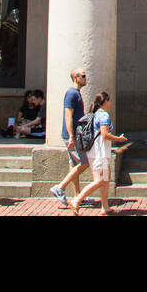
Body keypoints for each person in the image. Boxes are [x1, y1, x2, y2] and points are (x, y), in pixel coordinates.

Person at [70, 91, 128, 215]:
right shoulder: (103, 116)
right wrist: (119, 139)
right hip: (100, 152)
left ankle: (105, 206)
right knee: (100, 180)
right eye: (109, 100)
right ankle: (77, 200)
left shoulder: (95, 114)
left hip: (96, 151)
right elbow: (105, 134)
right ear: (105, 101)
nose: (111, 102)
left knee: (105, 179)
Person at [51, 68, 89, 208]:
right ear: (75, 77)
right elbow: (68, 115)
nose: (86, 78)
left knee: (73, 165)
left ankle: (77, 196)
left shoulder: (76, 93)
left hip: (74, 134)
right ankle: (60, 187)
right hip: (72, 135)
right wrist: (71, 136)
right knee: (85, 162)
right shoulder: (71, 94)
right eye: (83, 76)